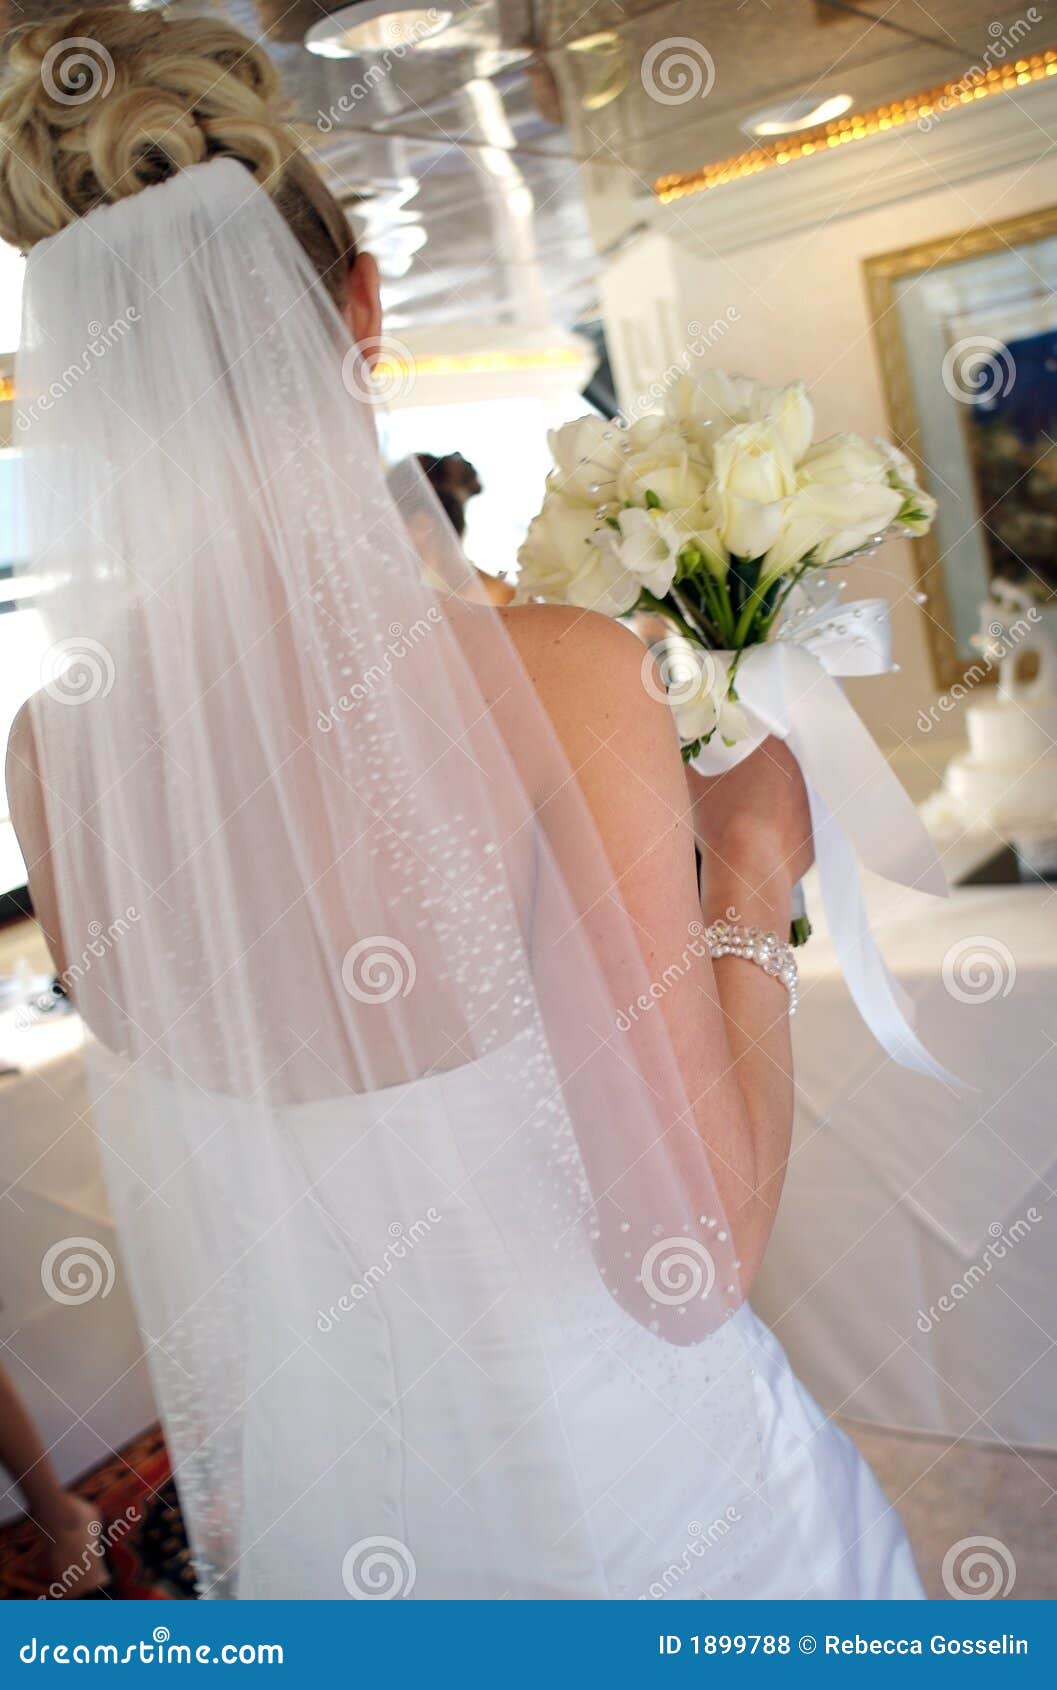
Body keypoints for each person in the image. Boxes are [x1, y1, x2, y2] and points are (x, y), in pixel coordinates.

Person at [1, 9, 921, 1599]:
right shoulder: (559, 679)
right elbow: (682, 1265)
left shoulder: (47, 752)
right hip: (645, 1528)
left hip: (336, 1534)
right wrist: (751, 870)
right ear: (361, 303)